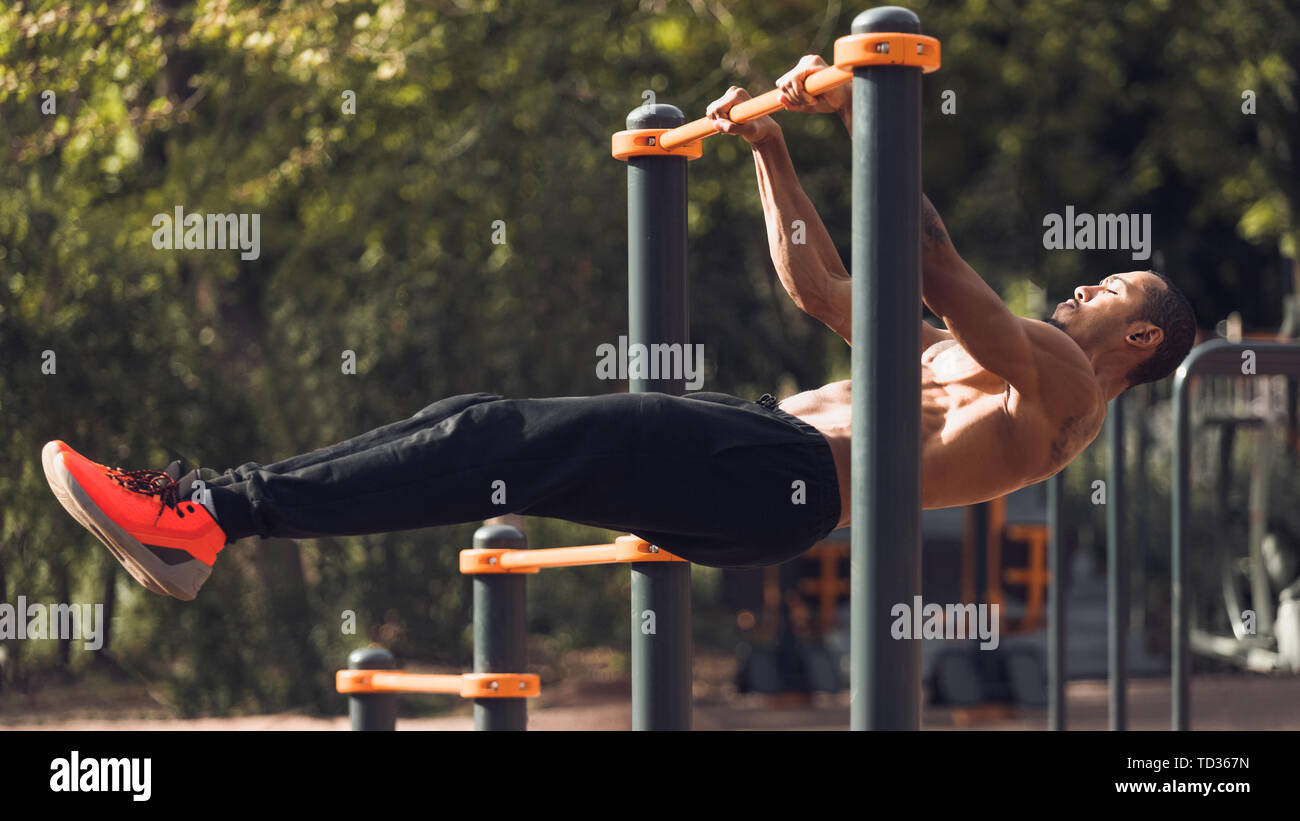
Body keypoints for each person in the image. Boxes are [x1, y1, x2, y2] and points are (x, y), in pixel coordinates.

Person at [42, 57, 1196, 601]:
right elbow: (829, 296)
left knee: (495, 432)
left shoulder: (1062, 392)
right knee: (477, 433)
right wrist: (772, 151)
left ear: (1139, 341)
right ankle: (211, 517)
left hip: (785, 477)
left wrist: (865, 109)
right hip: (761, 469)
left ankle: (209, 512)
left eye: (1114, 290)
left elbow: (934, 261)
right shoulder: (986, 366)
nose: (1088, 289)